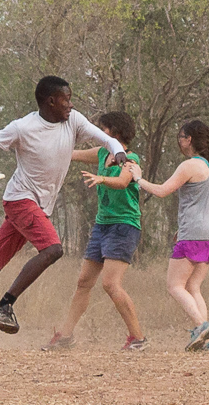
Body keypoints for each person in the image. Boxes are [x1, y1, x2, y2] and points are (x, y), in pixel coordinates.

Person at [0, 75, 128, 341]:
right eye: (66, 99)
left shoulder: (73, 121)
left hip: (38, 206)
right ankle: (4, 306)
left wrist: (119, 152)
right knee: (53, 249)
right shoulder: (22, 128)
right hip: (20, 200)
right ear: (51, 101)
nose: (70, 105)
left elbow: (107, 140)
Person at [42, 111, 147, 352]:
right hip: (102, 225)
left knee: (110, 284)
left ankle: (138, 338)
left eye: (104, 130)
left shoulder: (130, 159)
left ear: (116, 132)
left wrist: (101, 179)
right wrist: (41, 147)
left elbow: (122, 181)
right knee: (84, 282)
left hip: (124, 226)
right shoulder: (101, 153)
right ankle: (65, 336)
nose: (99, 134)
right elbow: (69, 155)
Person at [137, 119, 209, 352]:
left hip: (193, 232)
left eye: (180, 137)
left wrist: (138, 178)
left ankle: (201, 326)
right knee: (193, 286)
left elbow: (162, 191)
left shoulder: (189, 166)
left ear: (189, 139)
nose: (179, 141)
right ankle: (205, 340)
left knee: (174, 285)